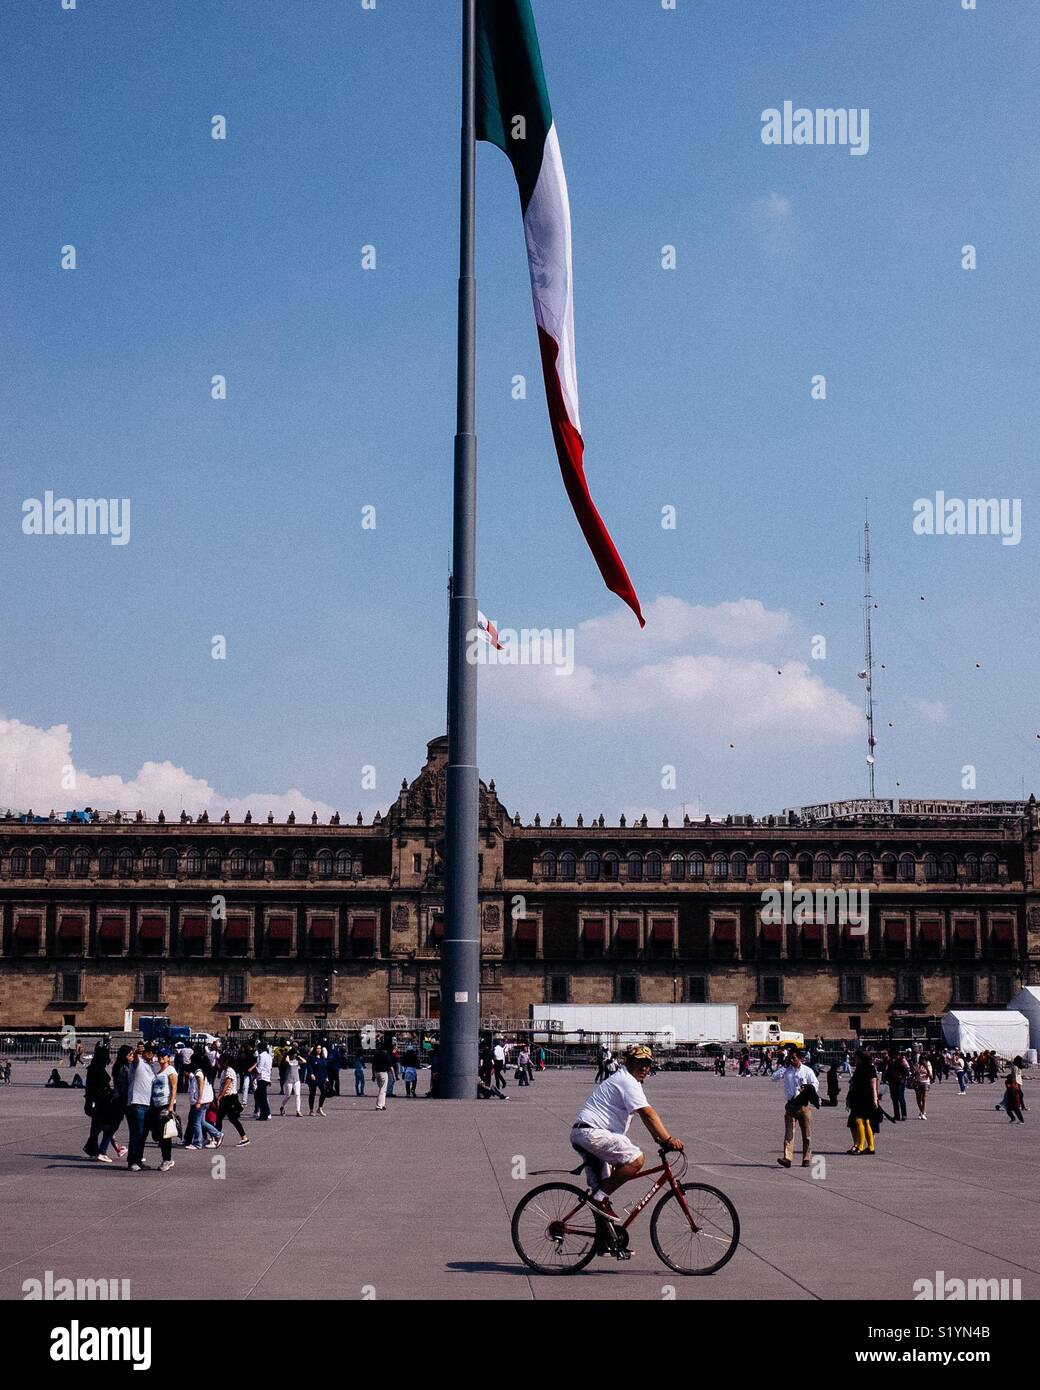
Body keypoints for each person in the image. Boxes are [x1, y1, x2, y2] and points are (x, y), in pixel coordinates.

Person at [569, 1045, 682, 1222]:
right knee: (636, 1160)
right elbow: (648, 1114)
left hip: (586, 1133)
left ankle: (605, 1242)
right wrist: (668, 1139)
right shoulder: (627, 1081)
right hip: (591, 1133)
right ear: (628, 1062)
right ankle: (599, 1199)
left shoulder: (627, 1080)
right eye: (640, 1063)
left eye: (647, 1064)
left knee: (602, 1188)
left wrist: (658, 1140)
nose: (644, 1068)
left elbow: (644, 1117)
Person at [771, 1048, 818, 1167]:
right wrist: (784, 1067)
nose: (792, 1060)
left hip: (803, 1105)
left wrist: (807, 1088)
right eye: (790, 1058)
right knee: (789, 1133)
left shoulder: (807, 1071)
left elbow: (815, 1084)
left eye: (794, 1058)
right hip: (791, 1105)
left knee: (806, 1134)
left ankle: (806, 1157)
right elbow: (773, 1078)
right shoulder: (787, 1070)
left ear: (800, 1058)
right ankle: (787, 1158)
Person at [122, 1043, 158, 1170]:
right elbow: (136, 1057)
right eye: (148, 1051)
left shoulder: (151, 1067)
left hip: (148, 1104)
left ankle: (138, 1159)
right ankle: (132, 1162)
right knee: (136, 1133)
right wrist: (138, 1051)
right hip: (136, 1103)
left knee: (143, 1134)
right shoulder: (138, 1063)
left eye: (153, 1052)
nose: (151, 1054)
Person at [184, 1052, 222, 1148]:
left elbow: (201, 1087)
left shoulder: (199, 1072)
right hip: (207, 1099)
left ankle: (198, 1142)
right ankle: (217, 1134)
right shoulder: (205, 1071)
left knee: (196, 1122)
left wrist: (198, 1101)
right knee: (201, 1121)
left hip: (202, 1100)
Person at [150, 1046, 178, 1171]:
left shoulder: (170, 1070)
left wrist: (171, 1106)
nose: (161, 1057)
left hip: (166, 1104)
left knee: (165, 1134)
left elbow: (174, 1088)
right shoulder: (158, 1071)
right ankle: (166, 1157)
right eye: (160, 1055)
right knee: (157, 1133)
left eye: (164, 1055)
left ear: (168, 1058)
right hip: (156, 1104)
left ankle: (167, 1159)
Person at [846, 1050, 880, 1155]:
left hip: (866, 1098)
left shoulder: (870, 1068)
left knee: (860, 1121)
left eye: (856, 1058)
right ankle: (870, 1147)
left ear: (861, 1058)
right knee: (865, 1122)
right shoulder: (859, 1069)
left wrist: (875, 1099)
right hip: (858, 1097)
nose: (855, 1059)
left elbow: (873, 1084)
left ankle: (860, 1146)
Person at [215, 1056, 249, 1144]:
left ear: (226, 1062)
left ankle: (244, 1138)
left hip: (230, 1098)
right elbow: (222, 1086)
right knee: (219, 1118)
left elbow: (227, 1086)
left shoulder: (230, 1071)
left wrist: (219, 1097)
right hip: (225, 1098)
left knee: (233, 1119)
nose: (219, 1063)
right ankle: (216, 1137)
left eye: (221, 1061)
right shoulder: (224, 1071)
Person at [884, 1049, 910, 1122]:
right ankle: (897, 1115)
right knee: (894, 1098)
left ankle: (904, 1115)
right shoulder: (890, 1061)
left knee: (900, 1098)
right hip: (892, 1082)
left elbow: (906, 1070)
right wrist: (886, 1078)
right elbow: (888, 1070)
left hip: (900, 1082)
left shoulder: (901, 1060)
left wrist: (902, 1078)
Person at [307, 1045, 329, 1116]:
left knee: (324, 1092)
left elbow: (325, 1068)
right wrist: (311, 1074)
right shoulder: (311, 1057)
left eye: (320, 1048)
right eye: (317, 1048)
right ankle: (311, 1110)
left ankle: (320, 1108)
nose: (318, 1050)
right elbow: (309, 1066)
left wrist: (326, 1077)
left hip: (321, 1077)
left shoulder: (322, 1058)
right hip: (313, 1078)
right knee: (312, 1093)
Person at [371, 1042, 394, 1111]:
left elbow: (373, 1066)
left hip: (377, 1073)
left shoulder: (376, 1054)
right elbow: (391, 1067)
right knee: (382, 1090)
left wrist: (373, 1075)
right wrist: (394, 1076)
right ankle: (379, 1105)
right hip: (384, 1073)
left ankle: (383, 1104)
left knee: (382, 1089)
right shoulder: (386, 1055)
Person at [254, 1043, 272, 1121]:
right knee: (262, 1096)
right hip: (266, 1077)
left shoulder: (261, 1056)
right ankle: (265, 1112)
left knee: (259, 1096)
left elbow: (259, 1068)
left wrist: (255, 1070)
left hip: (262, 1077)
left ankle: (264, 1113)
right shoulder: (269, 1056)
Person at [913, 1054, 933, 1118]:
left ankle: (923, 1112)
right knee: (918, 1098)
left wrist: (926, 1067)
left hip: (925, 1082)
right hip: (918, 1082)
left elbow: (930, 1074)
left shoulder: (928, 1064)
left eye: (924, 1059)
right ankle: (921, 1111)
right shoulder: (917, 1064)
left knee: (923, 1097)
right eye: (921, 1059)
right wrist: (916, 1071)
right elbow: (915, 1073)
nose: (923, 1060)